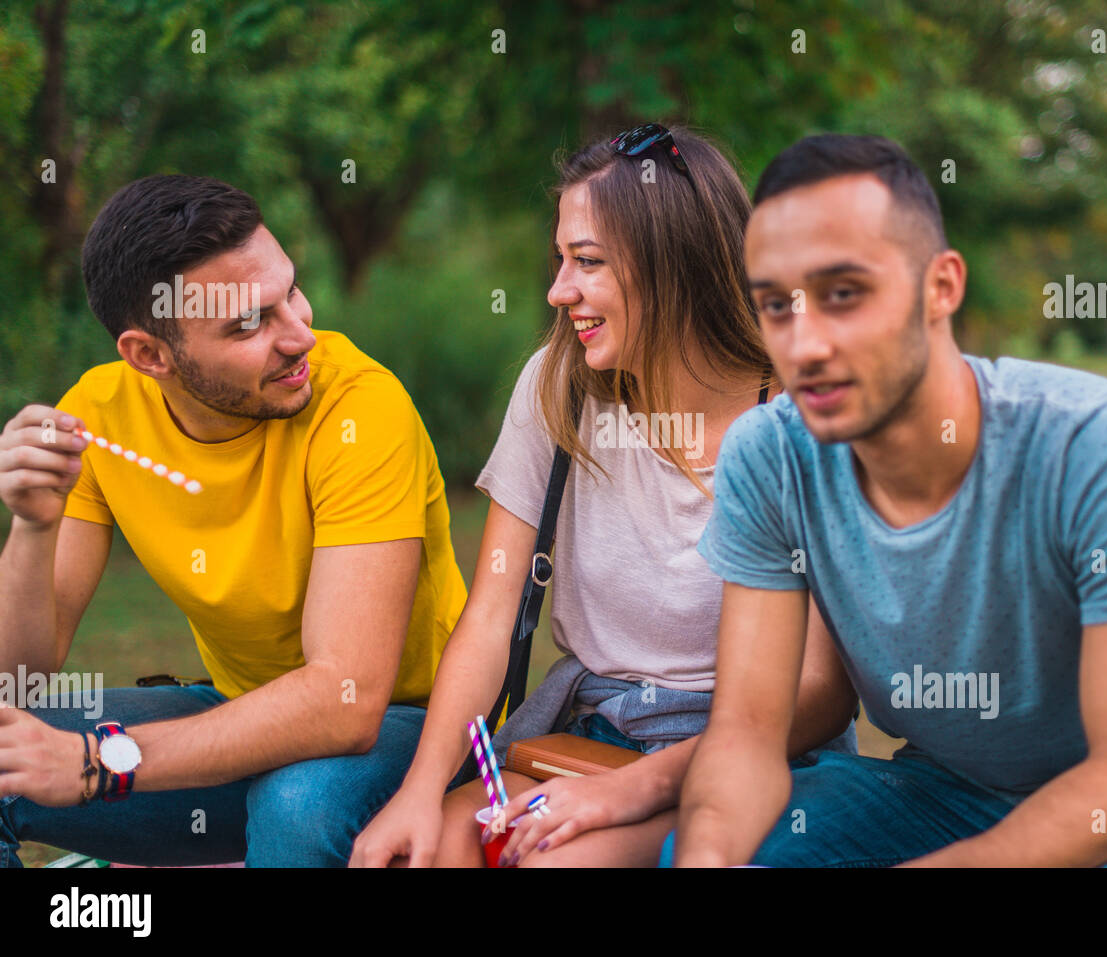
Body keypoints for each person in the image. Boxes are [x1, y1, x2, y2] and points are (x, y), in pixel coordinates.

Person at [667, 133, 1107, 867]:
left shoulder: (1099, 442)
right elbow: (747, 735)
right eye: (776, 305)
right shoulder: (769, 453)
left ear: (942, 287)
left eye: (844, 294)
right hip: (943, 790)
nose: (806, 342)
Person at [349, 124, 858, 869]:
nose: (559, 291)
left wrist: (630, 793)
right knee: (432, 852)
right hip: (589, 735)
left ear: (674, 267)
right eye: (560, 259)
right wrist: (422, 790)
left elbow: (818, 693)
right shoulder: (558, 386)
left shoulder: (804, 418)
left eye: (586, 262)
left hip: (746, 751)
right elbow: (490, 615)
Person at [0, 175, 468, 867]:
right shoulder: (99, 416)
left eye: (291, 292)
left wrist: (100, 760)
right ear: (149, 355)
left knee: (298, 804)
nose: (300, 335)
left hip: (418, 730)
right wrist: (33, 530)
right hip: (237, 713)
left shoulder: (362, 412)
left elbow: (347, 701)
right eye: (250, 323)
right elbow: (21, 680)